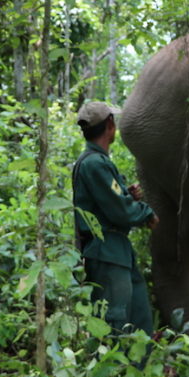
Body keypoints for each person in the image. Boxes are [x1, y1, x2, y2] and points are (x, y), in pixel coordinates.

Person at [72, 101, 159, 336]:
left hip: (118, 250)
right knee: (114, 320)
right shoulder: (94, 164)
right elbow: (119, 211)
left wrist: (126, 195)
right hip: (106, 251)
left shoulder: (99, 162)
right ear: (110, 125)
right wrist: (145, 212)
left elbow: (110, 201)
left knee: (139, 316)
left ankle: (138, 370)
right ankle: (113, 371)